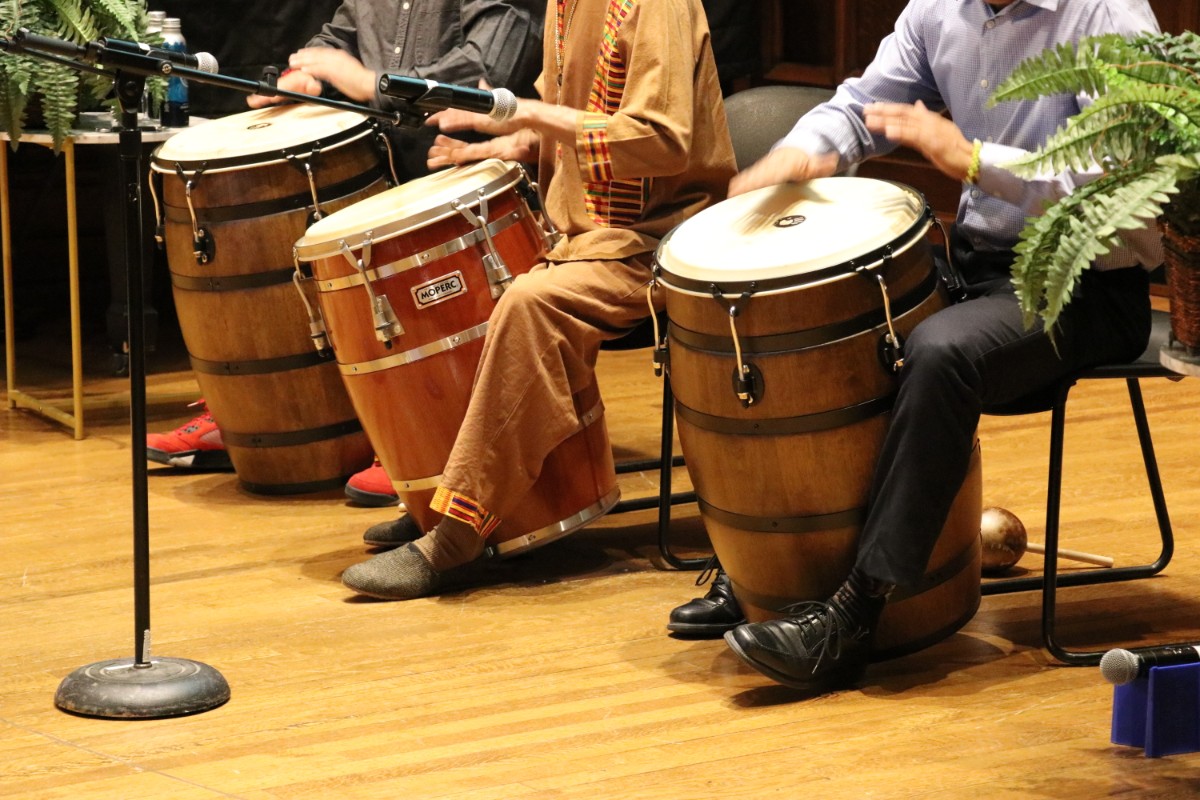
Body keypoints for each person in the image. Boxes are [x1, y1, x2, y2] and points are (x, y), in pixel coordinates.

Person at [674, 0, 1163, 693]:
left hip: (1084, 284)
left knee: (939, 353)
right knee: (832, 324)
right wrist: (801, 151)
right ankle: (773, 573)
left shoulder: (1105, 15)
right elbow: (859, 106)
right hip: (980, 264)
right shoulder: (941, 9)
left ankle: (853, 617)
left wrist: (970, 159)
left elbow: (1126, 180)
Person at [339, 0, 738, 599]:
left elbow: (663, 141)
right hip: (582, 234)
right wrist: (503, 142)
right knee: (471, 289)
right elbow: (566, 119)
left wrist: (530, 114)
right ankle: (452, 498)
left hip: (661, 238)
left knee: (532, 303)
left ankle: (459, 533)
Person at [148, 0, 546, 506]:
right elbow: (335, 40)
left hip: (459, 172)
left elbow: (486, 75)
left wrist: (365, 83)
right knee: (283, 229)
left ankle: (420, 436)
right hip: (378, 157)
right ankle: (255, 413)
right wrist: (307, 74)